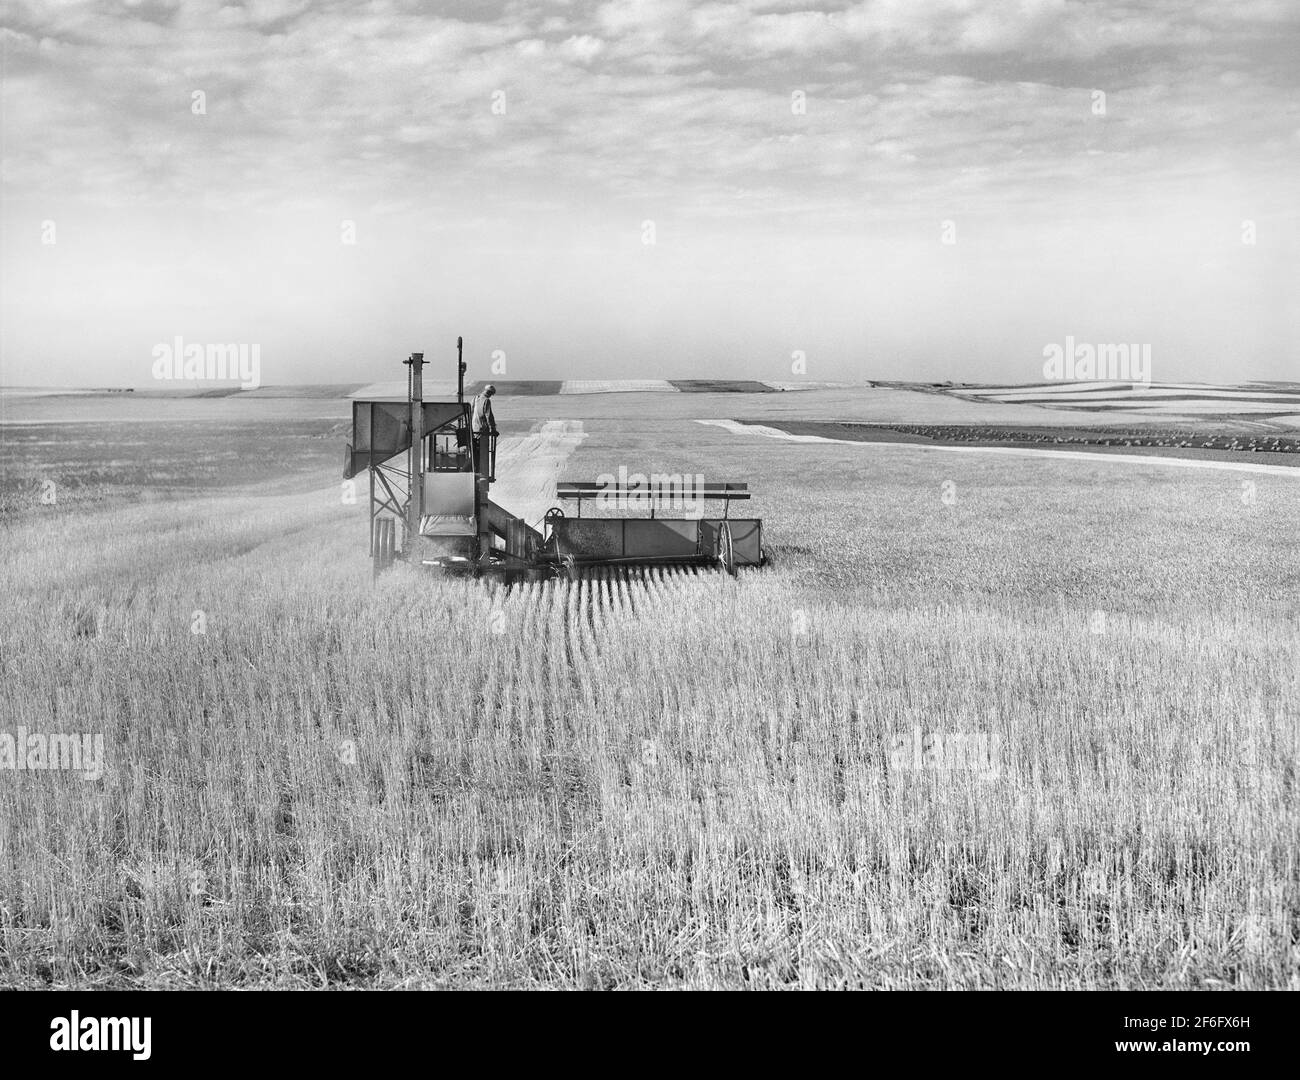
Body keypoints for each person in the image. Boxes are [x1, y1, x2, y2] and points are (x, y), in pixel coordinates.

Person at [470, 384, 498, 480]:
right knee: (482, 453)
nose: (490, 396)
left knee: (475, 451)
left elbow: (470, 412)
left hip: (474, 429)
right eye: (491, 394)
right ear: (490, 393)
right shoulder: (486, 401)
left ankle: (475, 470)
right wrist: (493, 429)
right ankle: (480, 472)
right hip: (482, 431)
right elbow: (488, 416)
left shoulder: (475, 398)